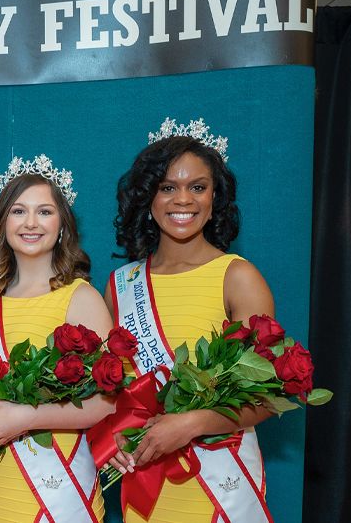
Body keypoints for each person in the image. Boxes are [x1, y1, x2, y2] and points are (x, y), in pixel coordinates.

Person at [106, 118, 275, 523]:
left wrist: (192, 423)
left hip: (221, 480)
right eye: (168, 187)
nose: (183, 200)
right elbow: (113, 392)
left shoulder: (239, 276)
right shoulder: (121, 284)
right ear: (148, 197)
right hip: (148, 477)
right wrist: (115, 437)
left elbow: (269, 397)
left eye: (197, 187)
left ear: (215, 197)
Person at [0, 155, 115, 522]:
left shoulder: (81, 297)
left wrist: (25, 417)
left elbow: (106, 402)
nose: (31, 223)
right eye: (19, 211)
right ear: (2, 223)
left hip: (62, 485)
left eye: (45, 212)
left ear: (63, 225)